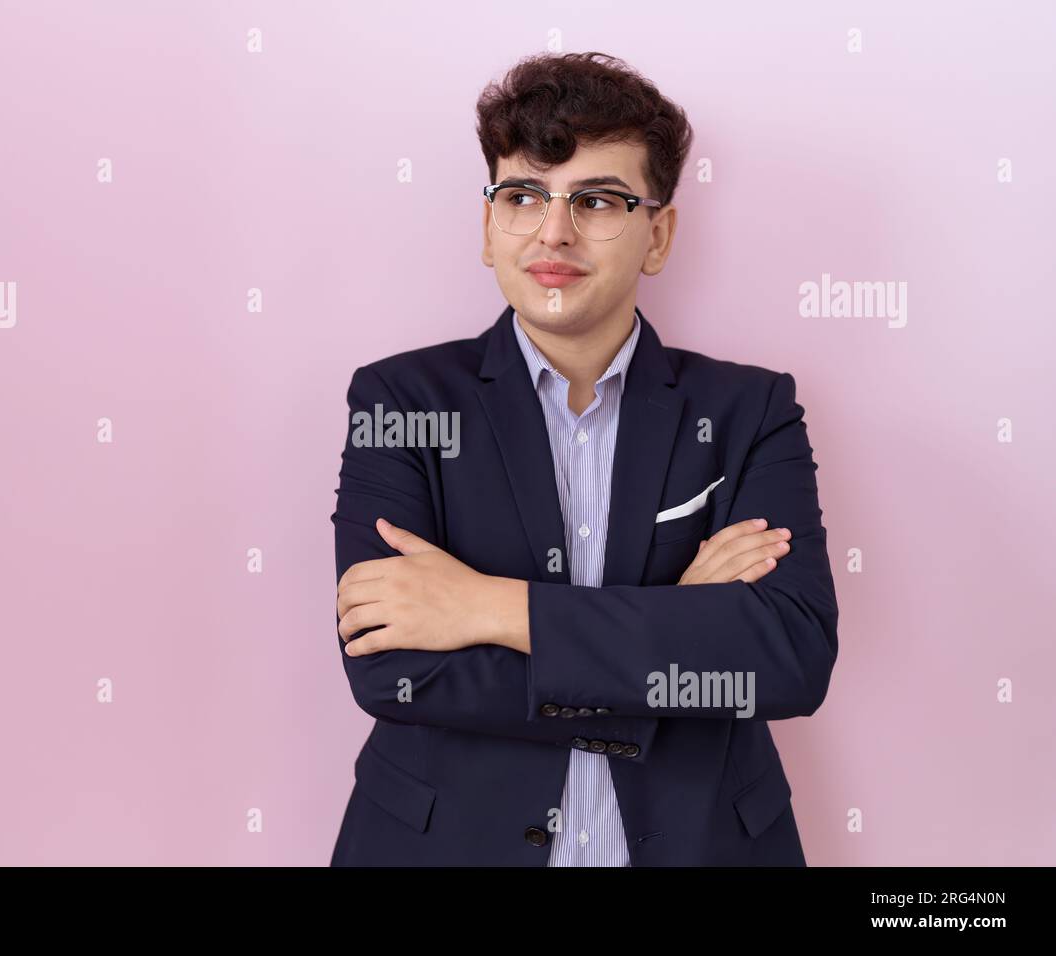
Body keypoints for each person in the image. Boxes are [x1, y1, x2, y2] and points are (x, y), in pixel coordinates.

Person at [330, 51, 839, 866]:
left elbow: (787, 659)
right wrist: (679, 627)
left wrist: (491, 609)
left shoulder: (750, 411)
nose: (553, 231)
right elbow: (393, 672)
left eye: (597, 199)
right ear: (487, 224)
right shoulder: (401, 403)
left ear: (658, 233)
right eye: (522, 196)